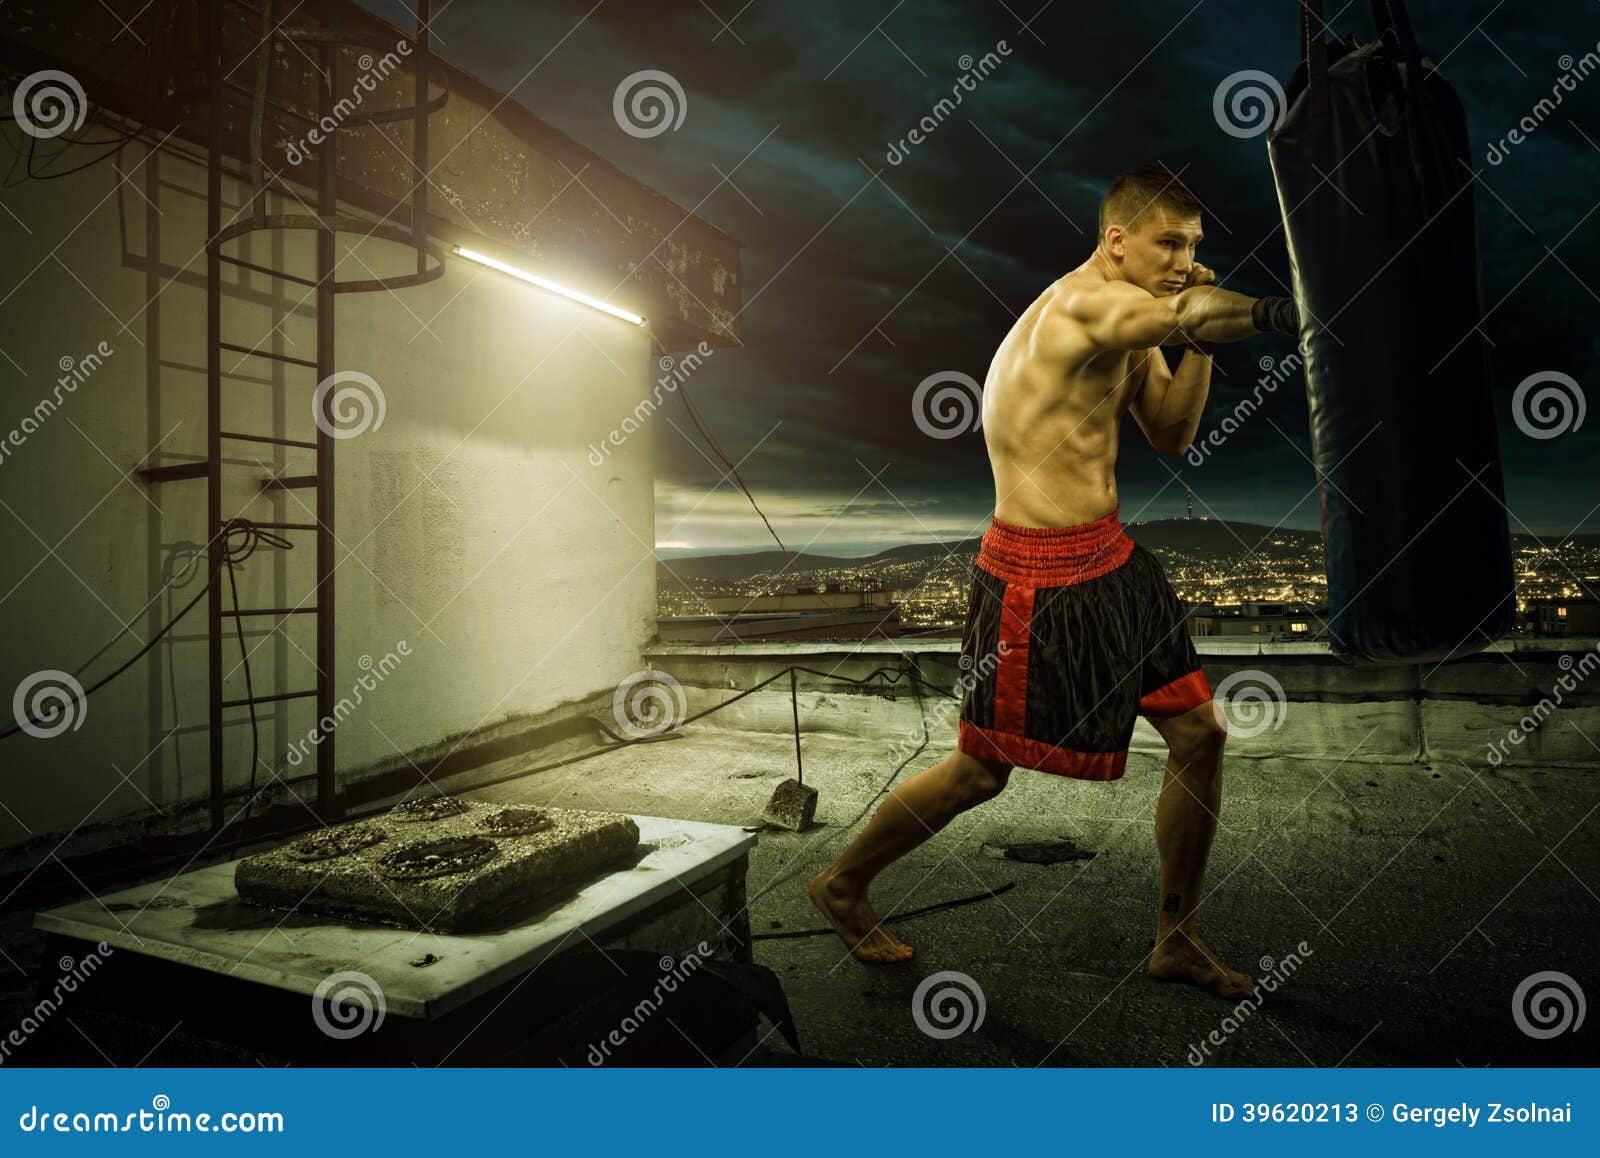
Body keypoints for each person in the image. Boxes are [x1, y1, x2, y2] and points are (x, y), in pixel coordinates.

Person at [809, 164, 1299, 1000]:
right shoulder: (1082, 306)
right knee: (979, 774)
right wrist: (1284, 314)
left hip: (1111, 563)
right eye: (1168, 242)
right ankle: (843, 883)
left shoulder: (1133, 325)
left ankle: (1176, 940)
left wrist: (1196, 341)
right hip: (1034, 582)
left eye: (1193, 246)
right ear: (1117, 240)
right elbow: (1184, 309)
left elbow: (1175, 433)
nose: (1184, 260)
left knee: (1200, 736)